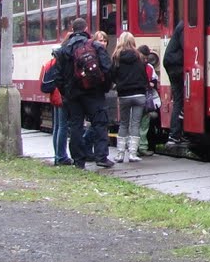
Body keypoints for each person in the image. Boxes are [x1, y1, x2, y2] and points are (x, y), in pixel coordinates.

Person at [55, 18, 112, 168]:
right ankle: (101, 157)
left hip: (73, 94)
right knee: (100, 123)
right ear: (86, 29)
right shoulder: (95, 46)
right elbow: (107, 68)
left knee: (76, 126)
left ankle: (79, 161)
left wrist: (65, 92)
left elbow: (58, 76)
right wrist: (103, 87)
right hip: (94, 92)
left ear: (72, 30)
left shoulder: (64, 49)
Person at [110, 32, 148, 163]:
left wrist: (119, 83)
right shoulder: (139, 56)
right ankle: (132, 153)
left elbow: (112, 75)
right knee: (136, 124)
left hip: (124, 94)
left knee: (124, 123)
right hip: (139, 94)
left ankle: (120, 154)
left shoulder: (116, 57)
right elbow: (144, 75)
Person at [42, 48, 71, 166]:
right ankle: (61, 156)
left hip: (54, 95)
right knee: (62, 126)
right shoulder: (63, 60)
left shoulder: (53, 60)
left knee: (57, 126)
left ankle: (57, 155)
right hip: (61, 94)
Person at [163, 19, 186, 142]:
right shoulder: (184, 26)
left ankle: (175, 133)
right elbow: (186, 46)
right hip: (176, 64)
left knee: (179, 99)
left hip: (172, 63)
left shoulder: (181, 25)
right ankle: (175, 132)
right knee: (180, 99)